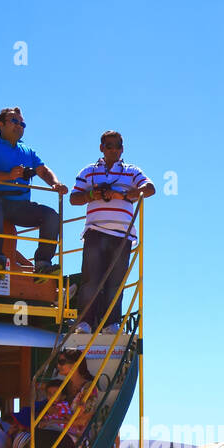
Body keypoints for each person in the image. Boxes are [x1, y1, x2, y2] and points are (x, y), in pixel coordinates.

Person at [70, 131, 154, 331]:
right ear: (102, 148)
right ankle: (85, 322)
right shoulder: (89, 171)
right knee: (91, 279)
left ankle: (111, 323)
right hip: (95, 231)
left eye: (118, 146)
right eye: (109, 146)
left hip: (122, 234)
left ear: (122, 149)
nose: (114, 150)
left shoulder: (132, 171)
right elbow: (74, 198)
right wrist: (93, 194)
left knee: (116, 282)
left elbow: (149, 189)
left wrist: (123, 195)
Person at [0, 106, 67, 277]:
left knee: (51, 215)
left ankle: (42, 264)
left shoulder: (28, 151)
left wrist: (55, 183)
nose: (19, 126)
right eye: (14, 121)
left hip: (19, 205)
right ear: (1, 124)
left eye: (22, 124)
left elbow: (43, 170)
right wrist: (8, 175)